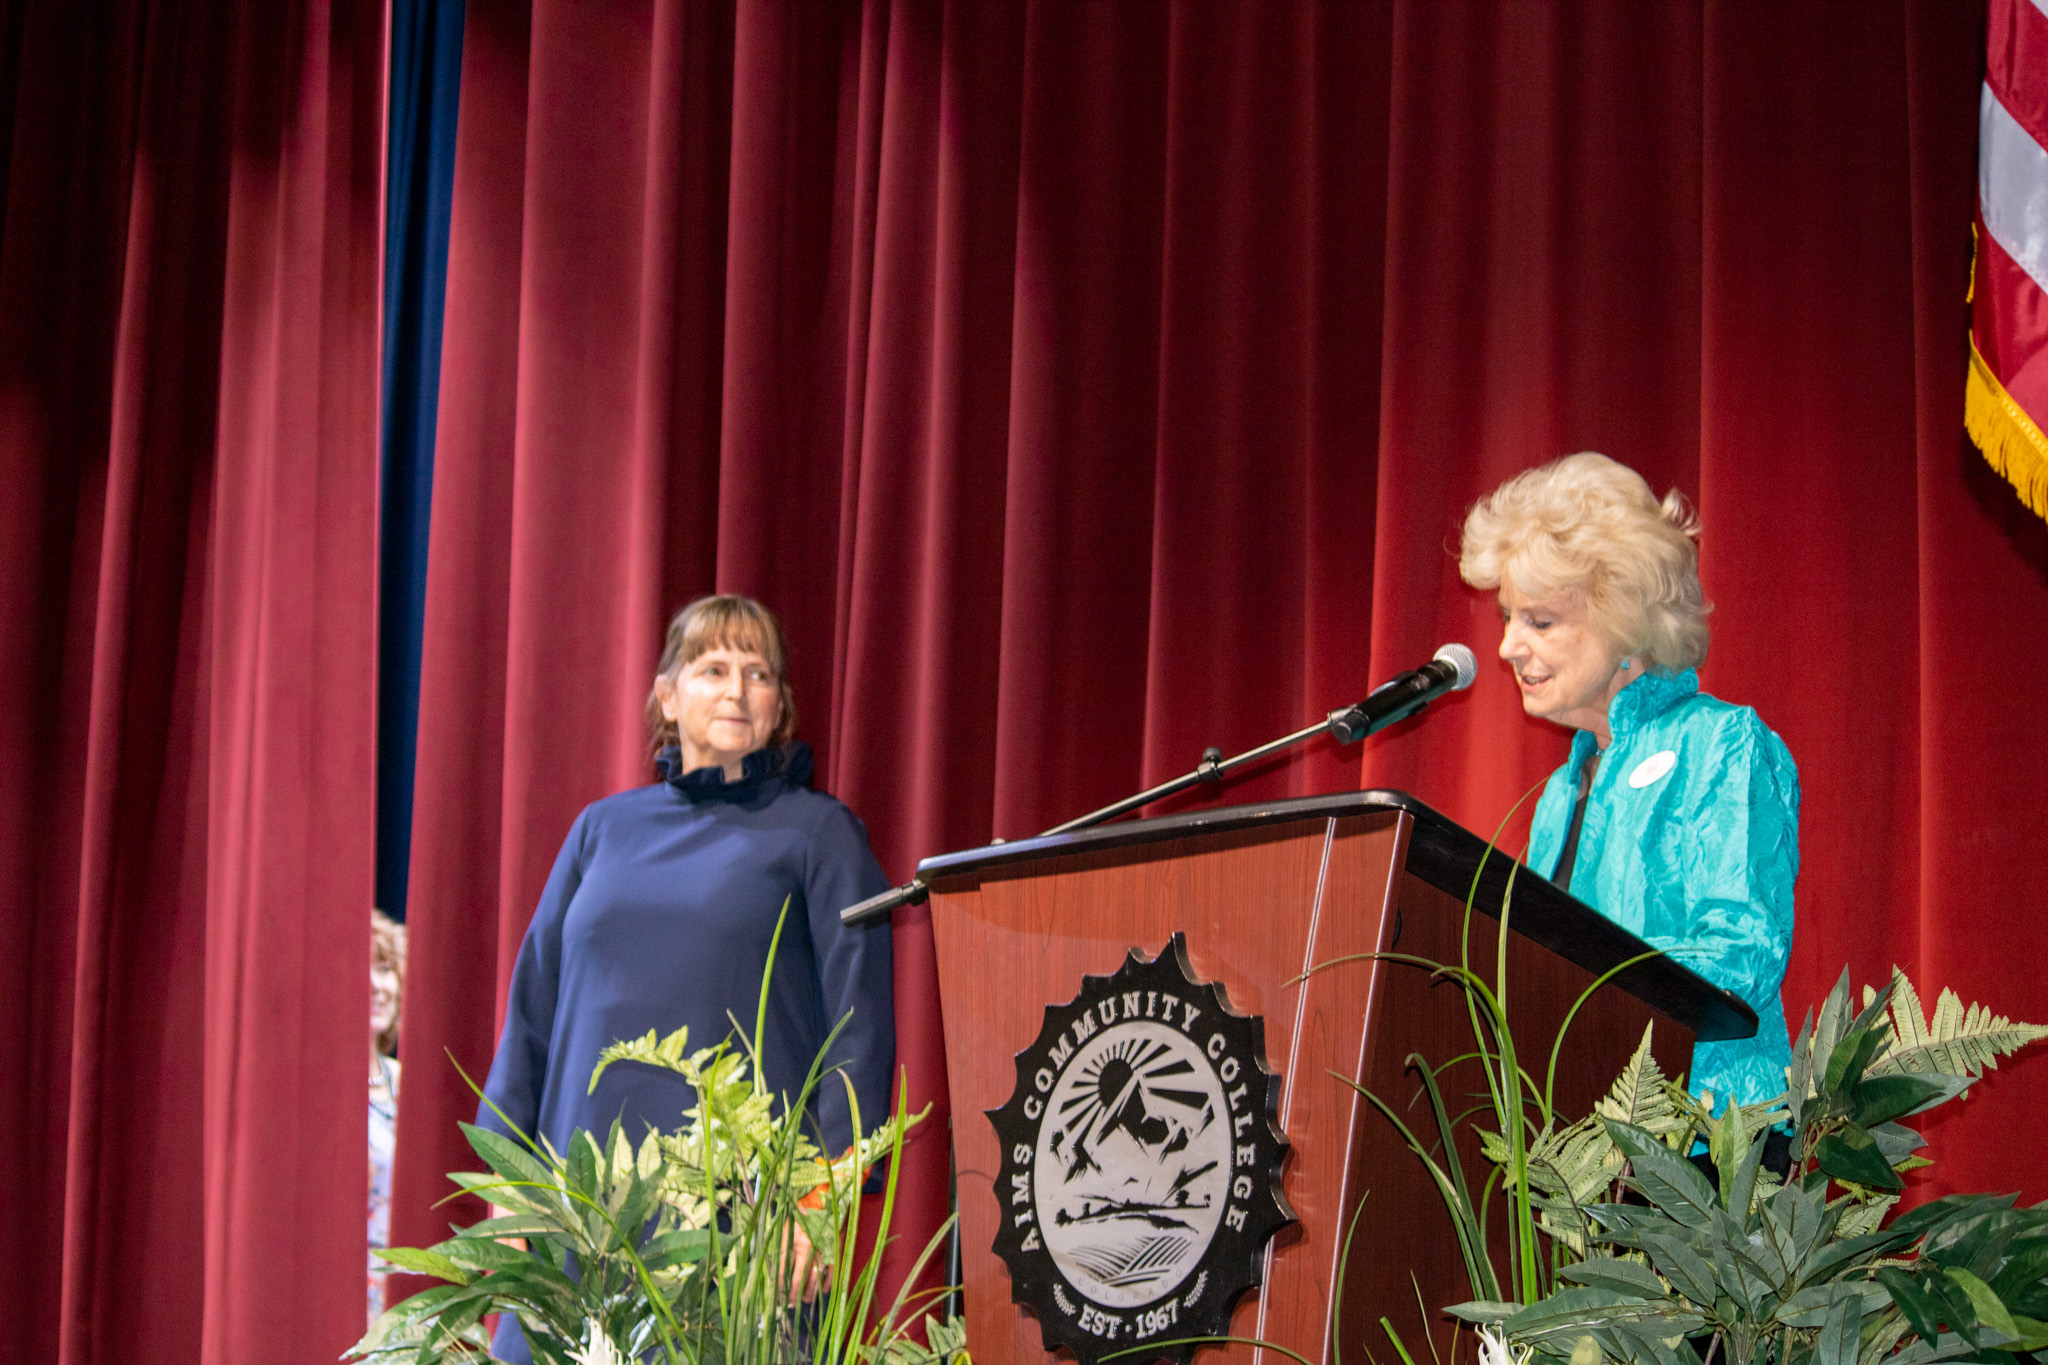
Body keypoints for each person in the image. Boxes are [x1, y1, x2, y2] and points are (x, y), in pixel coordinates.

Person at [478, 594, 897, 1361]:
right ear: (668, 695)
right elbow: (532, 1006)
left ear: (780, 708)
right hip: (576, 1216)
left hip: (733, 1221)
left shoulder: (819, 832)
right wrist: (505, 1183)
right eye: (712, 668)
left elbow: (859, 1024)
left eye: (758, 672)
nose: (737, 689)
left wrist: (824, 1194)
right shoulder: (600, 829)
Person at [1459, 453, 1797, 1121]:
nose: (1506, 648)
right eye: (1507, 618)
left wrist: (1577, 977)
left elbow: (1740, 956)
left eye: (1541, 621)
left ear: (1625, 622)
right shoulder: (1560, 793)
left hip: (1706, 1151)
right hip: (1576, 1150)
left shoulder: (1723, 743)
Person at [369, 908, 405, 1324]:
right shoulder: (330, 1094)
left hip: (402, 1305)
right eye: (366, 969)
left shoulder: (406, 1084)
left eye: (385, 969)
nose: (378, 986)